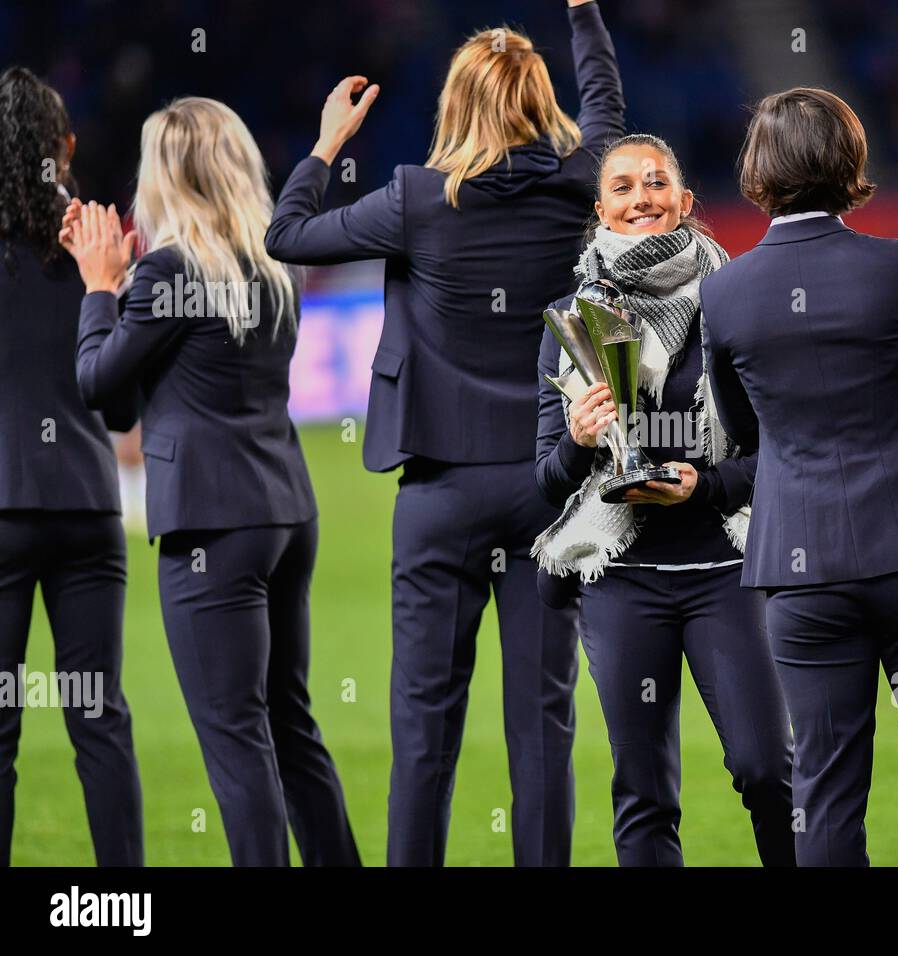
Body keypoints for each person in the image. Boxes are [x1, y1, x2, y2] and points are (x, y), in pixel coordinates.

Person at [264, 0, 623, 866]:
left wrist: (323, 147)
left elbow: (286, 237)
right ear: (540, 101)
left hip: (439, 495)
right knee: (543, 721)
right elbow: (607, 111)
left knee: (423, 724)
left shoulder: (415, 200)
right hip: (550, 488)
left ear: (454, 106)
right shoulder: (584, 183)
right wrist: (583, 14)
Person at [701, 87, 898, 867]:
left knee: (828, 787)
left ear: (760, 169)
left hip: (801, 569)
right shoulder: (896, 264)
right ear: (849, 161)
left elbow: (742, 433)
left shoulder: (726, 290)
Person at [65, 97, 359, 867]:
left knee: (235, 737)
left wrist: (100, 288)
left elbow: (98, 389)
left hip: (208, 523)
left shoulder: (169, 270)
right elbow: (134, 396)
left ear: (165, 174)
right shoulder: (268, 264)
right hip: (284, 511)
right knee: (290, 728)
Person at [534, 133, 794, 867]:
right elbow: (545, 483)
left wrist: (703, 488)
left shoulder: (735, 300)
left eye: (656, 182)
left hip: (728, 571)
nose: (641, 196)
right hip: (623, 582)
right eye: (623, 186)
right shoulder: (573, 316)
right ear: (601, 210)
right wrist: (580, 443)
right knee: (644, 792)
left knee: (767, 769)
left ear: (684, 200)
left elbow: (780, 450)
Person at [0, 65, 143, 868]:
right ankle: (124, 906)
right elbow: (120, 410)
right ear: (68, 147)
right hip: (88, 510)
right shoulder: (97, 240)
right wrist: (105, 290)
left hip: (3, 509)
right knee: (100, 719)